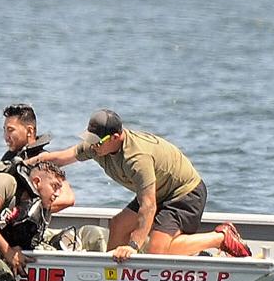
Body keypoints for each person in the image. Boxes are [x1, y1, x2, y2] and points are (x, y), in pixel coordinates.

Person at [31, 109, 252, 262]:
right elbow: (66, 156)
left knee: (157, 251)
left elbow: (148, 206)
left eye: (96, 142)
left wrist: (133, 247)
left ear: (115, 137)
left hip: (184, 194)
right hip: (159, 190)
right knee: (118, 225)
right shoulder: (97, 146)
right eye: (89, 139)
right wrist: (34, 160)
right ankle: (111, 272)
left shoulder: (137, 159)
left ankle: (221, 237)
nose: (91, 145)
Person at [0, 104, 75, 212]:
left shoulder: (43, 162)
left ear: (29, 131)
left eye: (10, 130)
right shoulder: (9, 157)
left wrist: (25, 210)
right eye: (5, 130)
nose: (6, 136)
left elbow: (67, 198)